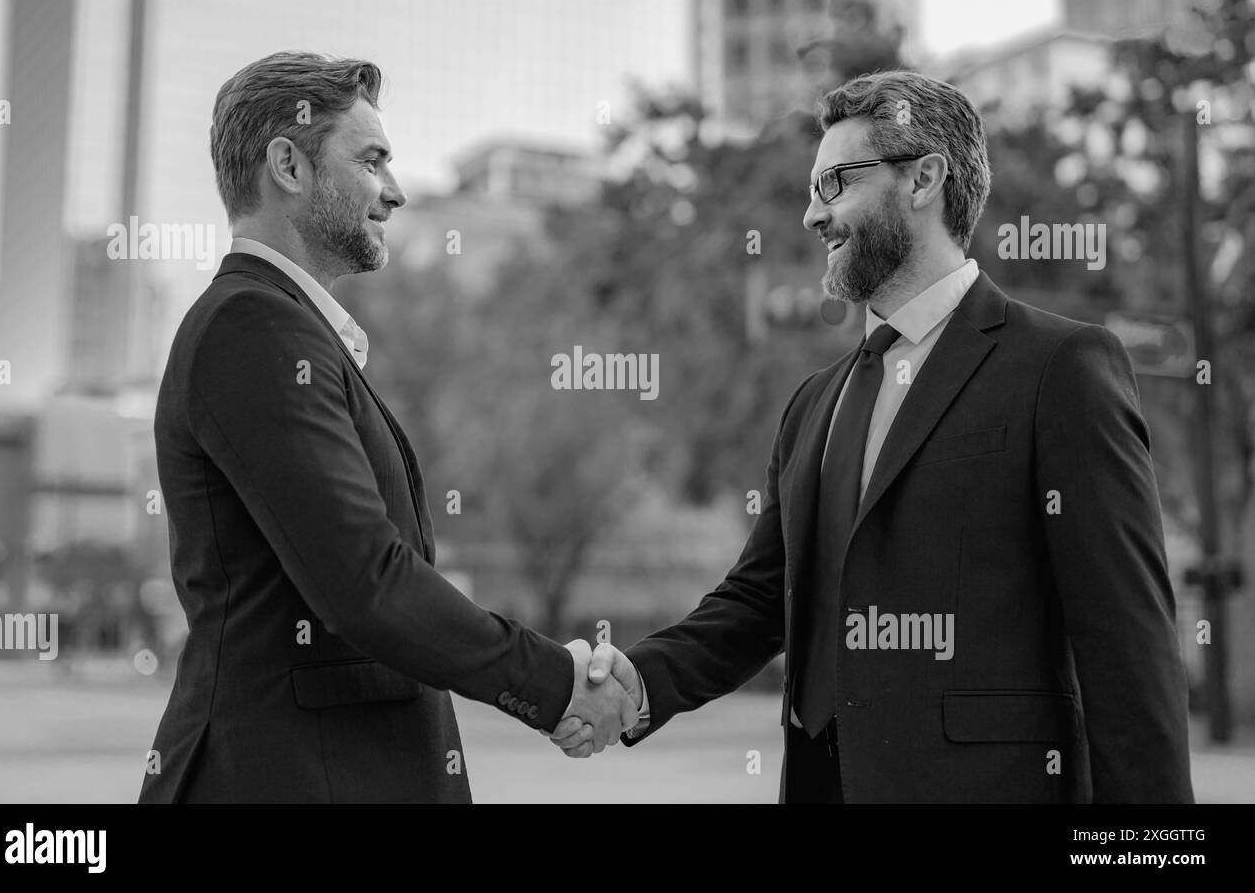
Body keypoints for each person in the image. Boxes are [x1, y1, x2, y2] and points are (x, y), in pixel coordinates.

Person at [552, 70, 1194, 804]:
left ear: (922, 178)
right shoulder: (810, 405)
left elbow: (1129, 645)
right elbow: (759, 602)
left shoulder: (1061, 368)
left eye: (834, 184)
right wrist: (634, 683)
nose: (809, 215)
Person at [139, 52, 635, 803]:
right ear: (288, 165)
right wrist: (555, 680)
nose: (395, 192)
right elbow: (365, 581)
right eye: (371, 161)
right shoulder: (252, 326)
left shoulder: (287, 330)